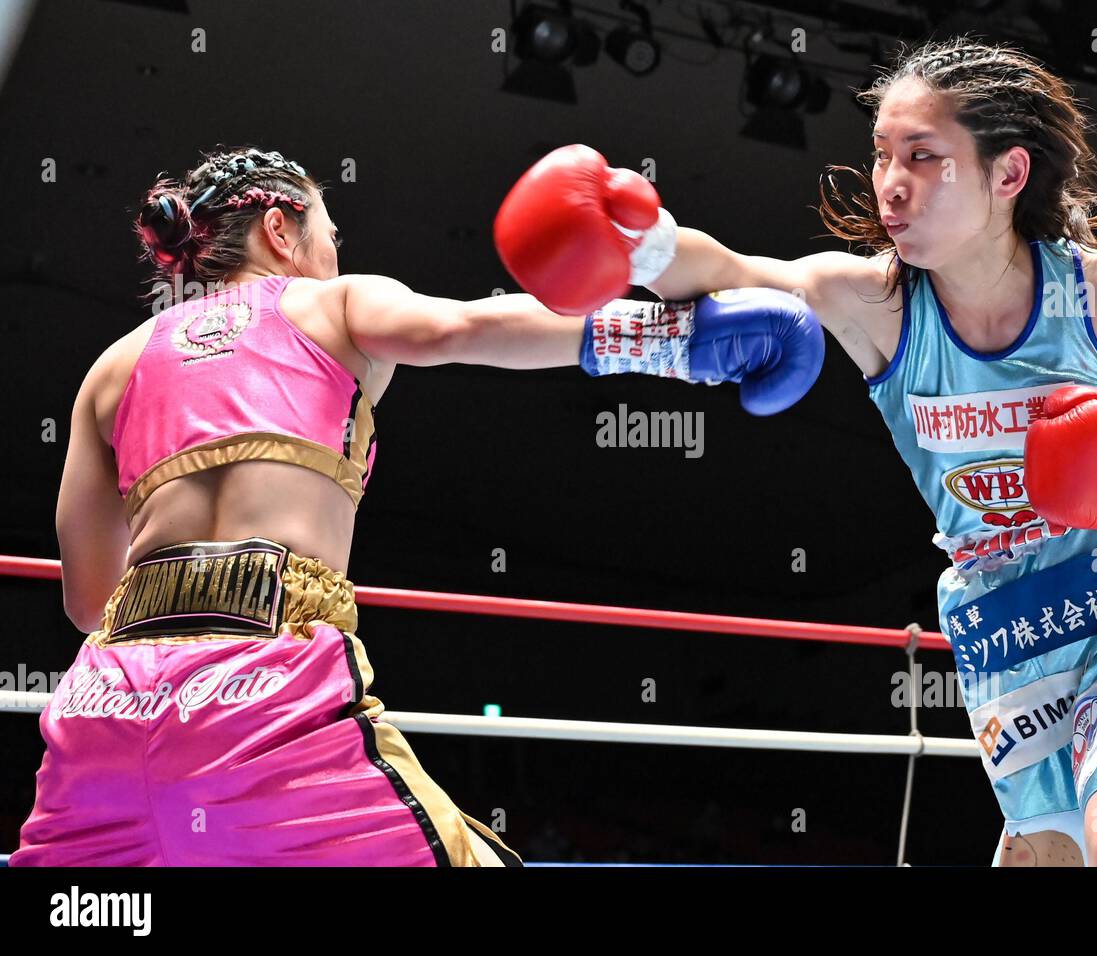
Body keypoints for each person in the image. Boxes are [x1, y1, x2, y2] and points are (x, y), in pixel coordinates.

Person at [492, 38, 1097, 866]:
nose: (891, 180)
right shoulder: (879, 305)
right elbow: (738, 276)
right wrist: (644, 242)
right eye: (884, 153)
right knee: (1047, 859)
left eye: (923, 156)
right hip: (1009, 623)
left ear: (1008, 175)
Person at [9, 146, 823, 866]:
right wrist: (678, 344)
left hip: (101, 717)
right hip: (261, 696)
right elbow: (463, 329)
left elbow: (88, 603)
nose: (336, 253)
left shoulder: (111, 368)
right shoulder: (330, 305)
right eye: (329, 233)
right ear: (281, 232)